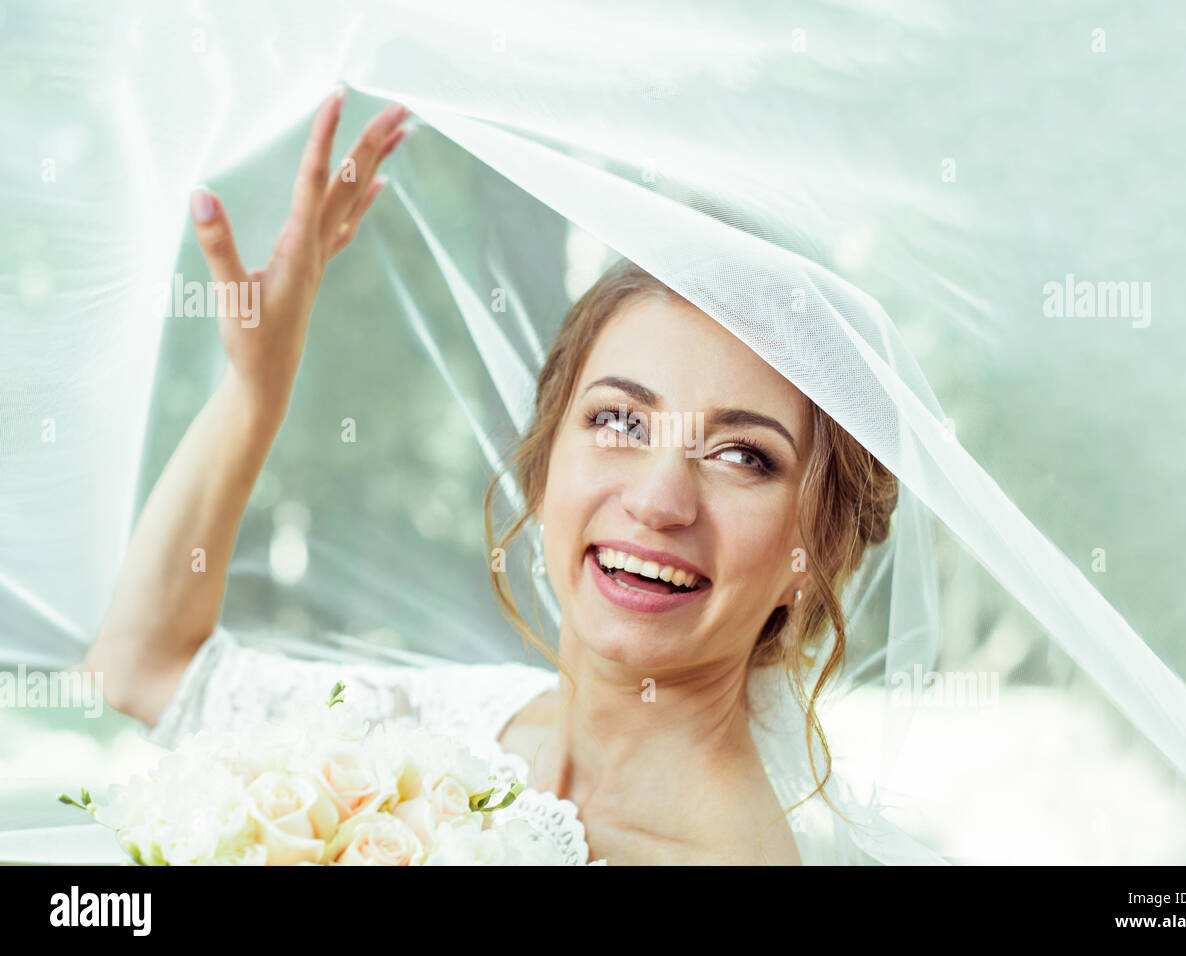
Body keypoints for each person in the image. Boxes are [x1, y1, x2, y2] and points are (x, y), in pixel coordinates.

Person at [81, 87, 903, 866]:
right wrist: (256, 391)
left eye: (741, 456)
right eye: (619, 421)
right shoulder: (440, 734)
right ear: (545, 464)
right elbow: (146, 669)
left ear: (818, 549)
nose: (657, 501)